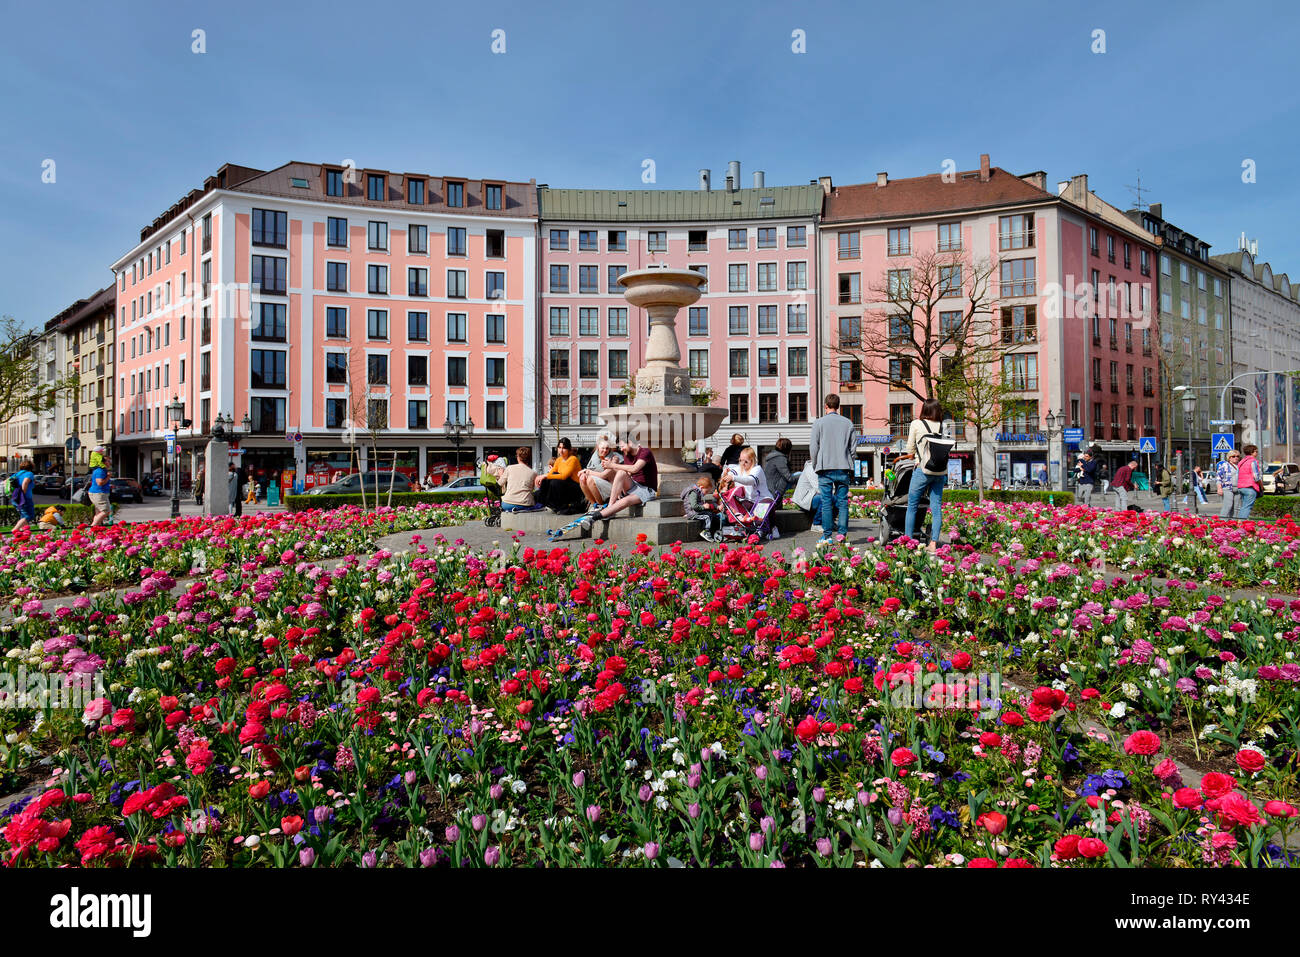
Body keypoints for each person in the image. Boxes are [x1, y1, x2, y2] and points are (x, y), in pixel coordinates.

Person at [578, 438, 657, 531]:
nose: (622, 449)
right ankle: (610, 507)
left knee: (626, 500)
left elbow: (634, 468)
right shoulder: (627, 454)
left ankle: (595, 517)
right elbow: (627, 474)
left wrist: (612, 465)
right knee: (621, 473)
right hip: (633, 485)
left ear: (630, 443)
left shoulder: (645, 452)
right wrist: (613, 470)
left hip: (646, 489)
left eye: (622, 446)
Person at [808, 394, 856, 542]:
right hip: (843, 467)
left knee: (827, 502)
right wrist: (850, 464)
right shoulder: (848, 423)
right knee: (842, 503)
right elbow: (853, 449)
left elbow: (813, 447)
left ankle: (827, 536)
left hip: (825, 467)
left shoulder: (819, 423)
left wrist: (816, 464)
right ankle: (842, 536)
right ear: (838, 406)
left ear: (825, 406)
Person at [903, 398, 950, 553]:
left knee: (912, 506)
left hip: (922, 471)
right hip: (940, 472)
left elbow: (910, 449)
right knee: (936, 508)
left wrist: (913, 455)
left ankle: (909, 542)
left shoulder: (916, 424)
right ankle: (933, 544)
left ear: (924, 410)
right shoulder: (943, 426)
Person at [535, 438, 585, 514]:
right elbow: (552, 472)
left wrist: (545, 476)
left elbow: (564, 476)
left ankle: (557, 506)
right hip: (564, 485)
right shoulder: (559, 460)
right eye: (559, 448)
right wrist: (543, 478)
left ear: (569, 449)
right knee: (546, 481)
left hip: (576, 489)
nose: (561, 450)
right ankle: (545, 503)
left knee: (554, 481)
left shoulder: (573, 459)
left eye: (564, 448)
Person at [578, 436, 622, 508]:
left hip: (613, 488)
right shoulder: (594, 458)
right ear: (598, 447)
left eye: (607, 448)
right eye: (603, 448)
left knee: (590, 479)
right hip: (601, 485)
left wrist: (587, 471)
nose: (605, 450)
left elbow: (603, 475)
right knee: (582, 479)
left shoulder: (614, 459)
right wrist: (585, 473)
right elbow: (590, 471)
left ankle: (599, 505)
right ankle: (593, 505)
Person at [684, 474, 722, 542]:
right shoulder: (694, 493)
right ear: (701, 487)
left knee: (713, 515)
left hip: (696, 511)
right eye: (706, 491)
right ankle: (706, 531)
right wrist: (703, 507)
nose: (706, 493)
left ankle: (717, 533)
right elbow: (694, 506)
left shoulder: (698, 492)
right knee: (708, 516)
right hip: (694, 513)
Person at [501, 447, 541, 511]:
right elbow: (533, 489)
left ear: (518, 457)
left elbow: (500, 483)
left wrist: (500, 475)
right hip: (525, 504)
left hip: (507, 503)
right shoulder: (533, 473)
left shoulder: (509, 468)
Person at [763, 438, 795, 504]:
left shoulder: (773, 456)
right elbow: (788, 478)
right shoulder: (780, 458)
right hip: (774, 492)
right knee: (800, 474)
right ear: (787, 448)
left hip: (770, 490)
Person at [791, 462, 821, 528]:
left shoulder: (822, 467)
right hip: (804, 499)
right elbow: (818, 488)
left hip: (812, 496)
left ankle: (830, 522)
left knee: (837, 499)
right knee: (825, 499)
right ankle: (816, 524)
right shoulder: (811, 468)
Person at [10, 459, 36, 533]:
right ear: (31, 467)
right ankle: (14, 531)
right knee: (29, 516)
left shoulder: (16, 474)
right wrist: (22, 494)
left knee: (23, 516)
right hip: (24, 498)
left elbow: (6, 482)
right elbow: (25, 482)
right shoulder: (29, 473)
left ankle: (24, 534)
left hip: (15, 498)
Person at [1237, 444, 1262, 520]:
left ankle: (1239, 522)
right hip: (1250, 487)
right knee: (1247, 507)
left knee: (1244, 506)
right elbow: (1256, 476)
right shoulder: (1253, 461)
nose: (1257, 453)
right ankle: (1242, 523)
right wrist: (1261, 486)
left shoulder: (1242, 461)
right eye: (1256, 452)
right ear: (1252, 452)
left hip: (1241, 486)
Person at [88, 452, 112, 527]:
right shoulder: (100, 471)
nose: (110, 463)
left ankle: (96, 528)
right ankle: (92, 526)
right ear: (103, 462)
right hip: (99, 493)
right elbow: (99, 482)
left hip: (98, 493)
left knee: (98, 513)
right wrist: (108, 477)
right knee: (106, 511)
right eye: (108, 461)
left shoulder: (101, 470)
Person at [1217, 452, 1239, 519]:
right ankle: (1222, 522)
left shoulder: (1239, 465)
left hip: (1238, 488)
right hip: (1227, 488)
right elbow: (1218, 477)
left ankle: (1233, 523)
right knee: (1228, 506)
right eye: (1233, 456)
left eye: (1237, 456)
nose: (1236, 458)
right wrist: (1219, 488)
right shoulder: (1224, 465)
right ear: (1229, 457)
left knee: (1237, 508)